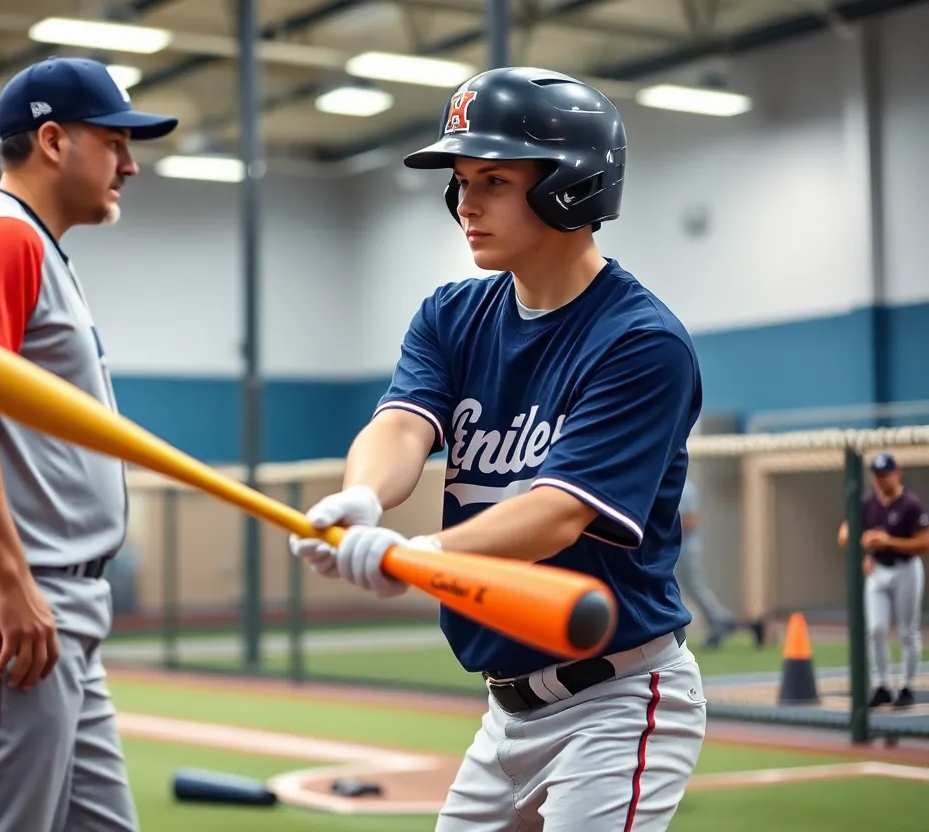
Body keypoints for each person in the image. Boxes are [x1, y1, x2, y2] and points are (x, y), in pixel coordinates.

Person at [290, 66, 706, 831]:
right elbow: (402, 426)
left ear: (571, 186)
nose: (464, 205)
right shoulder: (452, 314)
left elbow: (555, 514)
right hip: (504, 710)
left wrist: (413, 556)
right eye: (459, 181)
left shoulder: (640, 343)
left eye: (492, 180)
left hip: (615, 702)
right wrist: (363, 497)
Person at [0, 56, 178, 832]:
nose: (131, 163)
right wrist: (12, 579)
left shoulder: (32, 244)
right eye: (115, 141)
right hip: (5, 595)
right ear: (53, 141)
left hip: (51, 598)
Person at [836, 453, 928, 710]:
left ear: (897, 473)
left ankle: (908, 686)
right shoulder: (868, 504)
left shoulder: (910, 504)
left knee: (907, 631)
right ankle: (882, 685)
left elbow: (924, 542)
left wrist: (889, 542)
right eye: (876, 475)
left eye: (884, 474)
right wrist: (864, 544)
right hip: (878, 570)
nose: (880, 480)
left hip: (906, 569)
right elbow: (844, 534)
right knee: (875, 629)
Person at [676, 479, 765, 649]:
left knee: (694, 589)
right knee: (688, 590)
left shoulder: (685, 488)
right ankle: (725, 623)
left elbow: (691, 520)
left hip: (684, 549)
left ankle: (724, 623)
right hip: (674, 549)